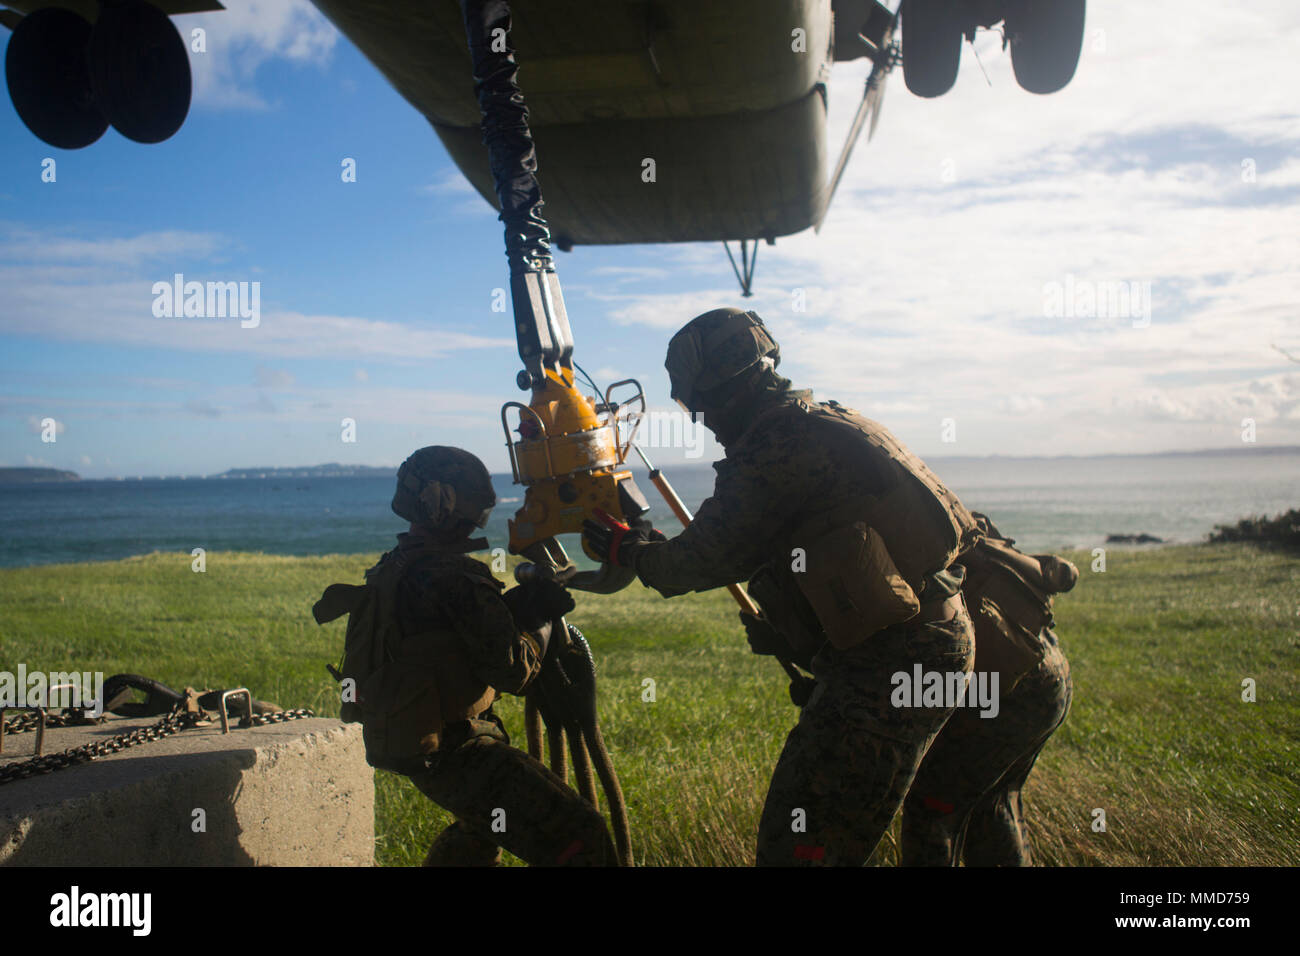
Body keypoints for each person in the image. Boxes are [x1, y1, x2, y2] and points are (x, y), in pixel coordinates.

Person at [583, 307, 982, 866]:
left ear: (726, 388)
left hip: (892, 664)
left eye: (695, 404)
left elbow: (704, 559)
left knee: (800, 849)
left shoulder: (777, 447)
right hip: (914, 646)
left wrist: (630, 550)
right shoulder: (821, 420)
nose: (699, 419)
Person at [313, 445, 614, 866]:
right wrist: (542, 620)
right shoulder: (458, 579)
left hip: (419, 750)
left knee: (477, 838)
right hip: (462, 754)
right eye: (477, 513)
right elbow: (514, 672)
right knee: (583, 837)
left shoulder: (391, 569)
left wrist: (512, 612)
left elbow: (440, 641)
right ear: (447, 507)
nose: (478, 522)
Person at [900, 513, 1075, 866]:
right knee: (990, 804)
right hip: (1043, 671)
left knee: (932, 809)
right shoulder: (943, 513)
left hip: (1007, 687)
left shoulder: (898, 532)